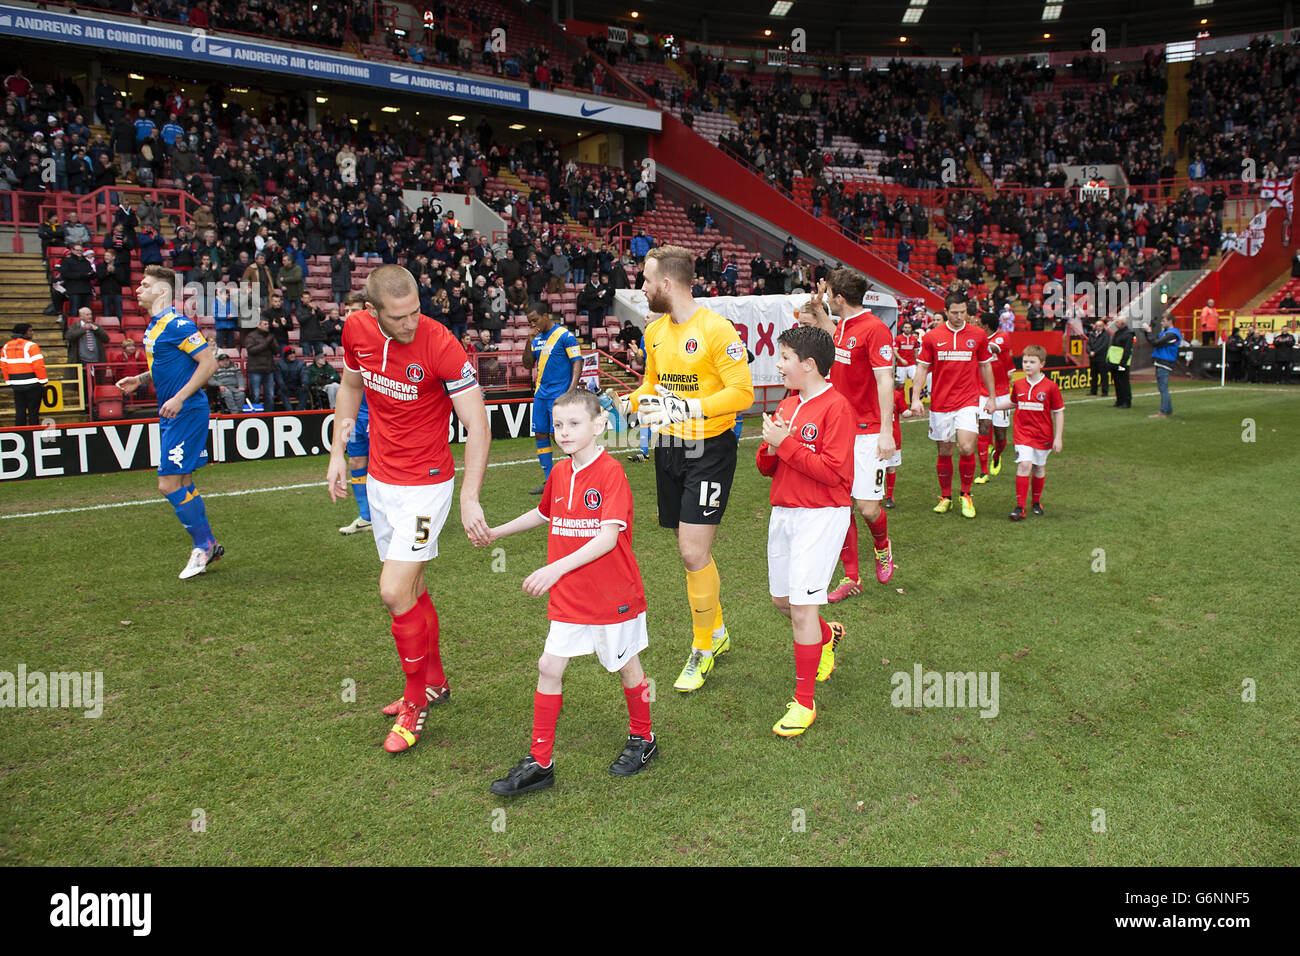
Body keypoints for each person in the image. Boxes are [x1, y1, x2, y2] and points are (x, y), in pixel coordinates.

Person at [325, 265, 491, 754]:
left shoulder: (441, 344)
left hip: (427, 486)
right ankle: (435, 681)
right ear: (371, 311)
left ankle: (415, 702)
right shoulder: (356, 330)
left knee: (393, 591)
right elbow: (351, 388)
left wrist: (468, 495)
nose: (410, 322)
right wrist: (338, 450)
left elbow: (477, 426)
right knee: (414, 588)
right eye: (398, 317)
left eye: (416, 310)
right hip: (381, 482)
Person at [482, 389, 655, 795]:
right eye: (558, 424)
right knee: (549, 666)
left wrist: (554, 567)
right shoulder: (560, 472)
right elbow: (545, 513)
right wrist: (496, 531)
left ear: (600, 426)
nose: (563, 432)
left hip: (613, 594)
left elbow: (608, 538)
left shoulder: (612, 472)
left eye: (574, 424)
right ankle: (541, 762)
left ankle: (643, 738)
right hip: (570, 596)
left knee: (627, 666)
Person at [618, 245, 754, 693]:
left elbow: (742, 394)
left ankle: (702, 648)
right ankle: (716, 630)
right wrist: (631, 403)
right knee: (687, 547)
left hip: (710, 447)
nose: (641, 286)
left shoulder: (717, 330)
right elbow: (653, 385)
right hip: (670, 446)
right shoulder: (654, 331)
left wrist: (690, 406)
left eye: (645, 279)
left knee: (693, 551)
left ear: (667, 284)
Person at [755, 326, 853, 737]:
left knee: (800, 609)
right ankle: (827, 636)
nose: (777, 365)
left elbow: (833, 474)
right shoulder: (789, 403)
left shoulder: (837, 408)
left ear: (809, 365)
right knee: (782, 601)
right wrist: (770, 446)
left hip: (821, 515)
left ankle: (804, 703)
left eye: (784, 358)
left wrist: (787, 445)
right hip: (785, 512)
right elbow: (767, 468)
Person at [115, 265, 223, 579]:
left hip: (185, 411)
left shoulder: (177, 323)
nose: (138, 289)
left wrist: (179, 397)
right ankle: (207, 544)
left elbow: (208, 364)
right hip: (174, 412)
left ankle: (204, 545)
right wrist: (141, 378)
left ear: (162, 292)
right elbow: (170, 364)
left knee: (168, 483)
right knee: (183, 482)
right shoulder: (155, 327)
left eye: (145, 285)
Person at [797, 269, 896, 604]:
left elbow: (885, 381)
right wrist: (821, 311)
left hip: (868, 433)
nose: (827, 300)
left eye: (829, 297)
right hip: (837, 430)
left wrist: (886, 431)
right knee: (840, 506)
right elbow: (836, 338)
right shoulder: (844, 328)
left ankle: (882, 545)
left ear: (840, 298)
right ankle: (852, 576)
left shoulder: (876, 330)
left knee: (867, 508)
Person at [909, 294, 997, 518]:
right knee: (944, 450)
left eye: (963, 312)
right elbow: (921, 368)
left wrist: (992, 397)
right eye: (955, 312)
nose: (959, 316)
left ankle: (966, 495)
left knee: (966, 447)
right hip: (940, 403)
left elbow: (986, 367)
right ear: (946, 311)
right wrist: (916, 398)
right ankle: (946, 496)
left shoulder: (977, 335)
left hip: (967, 401)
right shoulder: (932, 337)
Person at [992, 346, 1063, 520]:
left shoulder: (1051, 387)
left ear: (1042, 364)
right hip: (1022, 433)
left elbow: (1058, 411)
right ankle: (1020, 508)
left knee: (1039, 467)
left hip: (1043, 434)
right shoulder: (1018, 384)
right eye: (1025, 362)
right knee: (1025, 465)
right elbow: (1013, 403)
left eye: (1032, 362)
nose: (1028, 365)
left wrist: (1058, 437)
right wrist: (994, 406)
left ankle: (1036, 502)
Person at [522, 308, 583, 495]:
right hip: (541, 394)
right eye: (529, 322)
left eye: (534, 320)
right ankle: (549, 481)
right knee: (540, 434)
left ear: (545, 316)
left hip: (560, 395)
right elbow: (526, 364)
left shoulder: (564, 335)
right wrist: (528, 341)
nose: (532, 324)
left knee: (562, 437)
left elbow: (577, 361)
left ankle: (581, 474)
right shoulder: (537, 339)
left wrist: (571, 390)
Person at [336, 293, 374, 535]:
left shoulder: (379, 340)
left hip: (380, 414)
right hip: (357, 415)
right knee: (356, 461)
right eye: (347, 310)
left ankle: (394, 515)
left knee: (384, 465)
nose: (349, 315)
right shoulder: (348, 340)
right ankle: (366, 517)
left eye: (355, 310)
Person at [975, 313, 1014, 483]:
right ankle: (984, 472)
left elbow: (994, 348)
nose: (976, 326)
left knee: (1000, 435)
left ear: (986, 326)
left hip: (1002, 393)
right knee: (983, 427)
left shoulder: (1002, 337)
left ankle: (997, 455)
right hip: (983, 392)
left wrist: (978, 343)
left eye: (978, 324)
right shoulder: (979, 338)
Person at [2, 323, 47, 426]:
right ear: (25, 332)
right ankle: (33, 434)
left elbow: (4, 366)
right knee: (33, 412)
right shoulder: (31, 345)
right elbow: (38, 365)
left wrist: (8, 381)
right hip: (32, 384)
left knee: (20, 411)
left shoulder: (6, 346)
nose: (32, 333)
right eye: (30, 331)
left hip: (16, 385)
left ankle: (20, 433)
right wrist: (43, 381)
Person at [1145, 316, 1183, 417]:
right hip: (1161, 361)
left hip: (1165, 362)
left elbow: (1155, 342)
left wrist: (1149, 331)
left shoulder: (1172, 334)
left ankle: (1163, 411)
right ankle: (1168, 410)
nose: (1162, 323)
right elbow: (1153, 341)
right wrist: (1148, 330)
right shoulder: (1167, 333)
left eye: (1164, 321)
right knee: (1162, 387)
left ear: (1170, 321)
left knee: (1163, 388)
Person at [242, 316, 277, 411]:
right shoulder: (251, 336)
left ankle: (269, 414)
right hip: (255, 370)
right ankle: (256, 414)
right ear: (258, 325)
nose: (267, 326)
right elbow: (252, 350)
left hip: (268, 369)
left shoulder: (269, 335)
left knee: (270, 395)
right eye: (265, 324)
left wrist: (272, 342)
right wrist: (266, 342)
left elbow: (276, 350)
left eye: (268, 324)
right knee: (256, 395)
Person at [1108, 316, 1135, 408]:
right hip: (1114, 361)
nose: (1115, 324)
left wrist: (1123, 362)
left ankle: (1126, 401)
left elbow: (1127, 350)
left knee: (1123, 382)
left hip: (1122, 362)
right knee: (1117, 382)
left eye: (1117, 322)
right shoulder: (1118, 333)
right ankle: (1119, 400)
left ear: (1122, 323)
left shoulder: (1128, 334)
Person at [275, 346, 309, 410]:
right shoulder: (279, 364)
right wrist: (282, 385)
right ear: (286, 355)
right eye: (290, 354)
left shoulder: (301, 363)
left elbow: (304, 374)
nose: (292, 355)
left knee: (305, 391)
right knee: (282, 392)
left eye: (293, 353)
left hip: (296, 386)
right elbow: (278, 377)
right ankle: (290, 411)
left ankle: (299, 411)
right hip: (285, 387)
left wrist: (304, 384)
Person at [893, 319, 919, 396]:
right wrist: (901, 360)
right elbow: (895, 351)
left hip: (911, 365)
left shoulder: (914, 339)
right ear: (903, 328)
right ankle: (901, 402)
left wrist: (916, 361)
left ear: (911, 329)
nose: (907, 329)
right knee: (900, 385)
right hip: (901, 366)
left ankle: (914, 400)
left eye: (909, 327)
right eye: (905, 327)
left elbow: (915, 351)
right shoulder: (898, 338)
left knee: (916, 381)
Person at [1087, 319, 1111, 396]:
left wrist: (1095, 352)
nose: (1098, 327)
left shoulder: (1106, 335)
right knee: (1093, 375)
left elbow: (1104, 346)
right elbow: (1088, 344)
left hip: (1102, 358)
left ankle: (1104, 391)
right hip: (1092, 358)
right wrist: (1089, 351)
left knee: (1103, 376)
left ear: (1103, 326)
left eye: (1100, 326)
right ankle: (1093, 391)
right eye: (1097, 326)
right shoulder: (1092, 334)